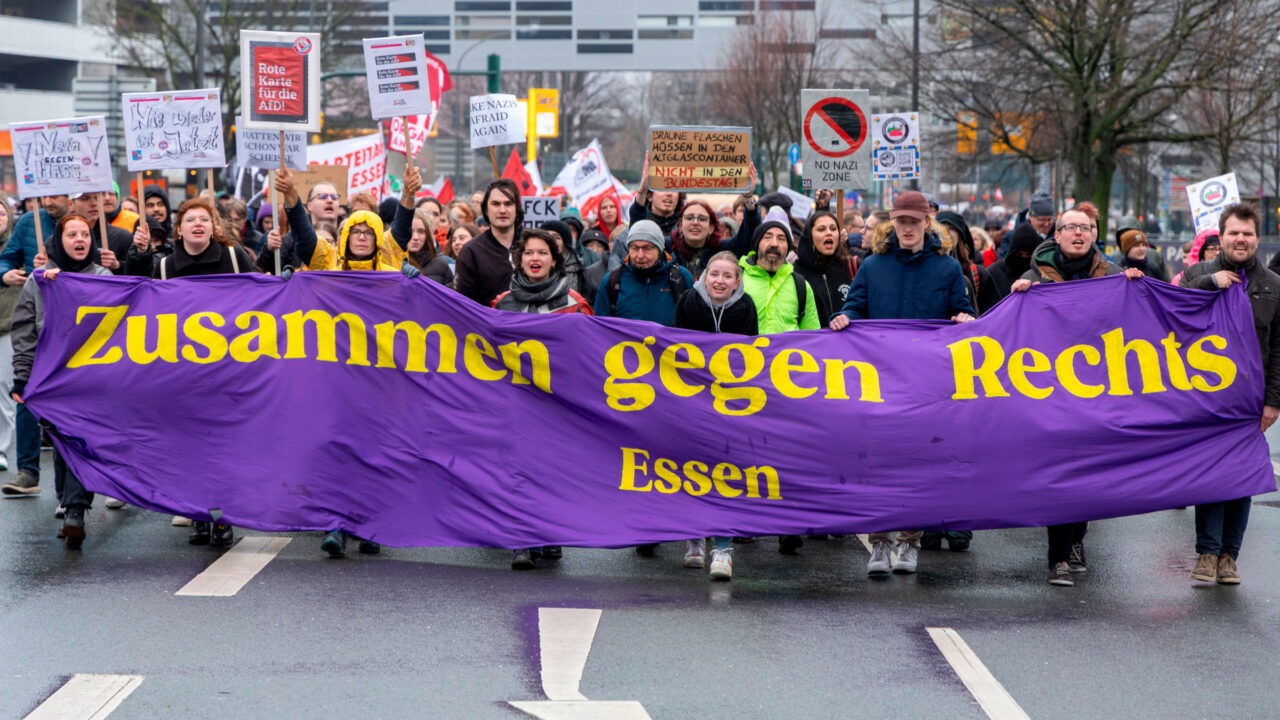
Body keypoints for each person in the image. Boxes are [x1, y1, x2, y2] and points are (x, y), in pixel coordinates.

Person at [830, 190, 974, 577]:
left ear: (928, 222)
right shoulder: (872, 265)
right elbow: (854, 308)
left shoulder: (947, 269)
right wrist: (843, 318)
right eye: (901, 221)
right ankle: (878, 544)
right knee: (876, 465)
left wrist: (963, 319)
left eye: (915, 221)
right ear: (892, 222)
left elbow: (964, 311)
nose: (908, 228)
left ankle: (909, 543)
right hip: (878, 385)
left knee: (917, 466)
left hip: (927, 387)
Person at [1009, 207, 1134, 586]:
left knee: (1090, 474)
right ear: (1057, 235)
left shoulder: (1115, 276)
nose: (1079, 233)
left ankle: (1078, 538)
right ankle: (1058, 557)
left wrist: (1138, 287)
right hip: (1052, 394)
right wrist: (1017, 299)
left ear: (1095, 234)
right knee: (1059, 475)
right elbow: (1010, 333)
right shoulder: (1033, 278)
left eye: (1086, 227)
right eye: (1071, 228)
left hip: (1099, 392)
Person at [1178, 204, 1279, 586]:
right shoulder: (1197, 274)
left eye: (1248, 234)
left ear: (1257, 238)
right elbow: (1172, 309)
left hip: (1251, 401)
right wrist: (1209, 284)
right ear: (1222, 236)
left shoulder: (1273, 285)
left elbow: (1279, 348)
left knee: (1243, 478)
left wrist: (1274, 400)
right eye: (1234, 233)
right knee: (1210, 474)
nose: (1241, 239)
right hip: (1206, 397)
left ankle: (1228, 557)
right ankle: (1206, 552)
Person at [10, 214, 117, 547]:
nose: (80, 239)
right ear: (59, 239)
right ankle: (68, 498)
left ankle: (74, 509)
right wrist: (22, 376)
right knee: (60, 440)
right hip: (52, 375)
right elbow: (25, 330)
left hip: (92, 376)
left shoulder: (105, 278)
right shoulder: (40, 280)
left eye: (85, 233)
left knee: (79, 439)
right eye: (72, 234)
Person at [493, 229, 592, 570]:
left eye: (542, 253)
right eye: (529, 253)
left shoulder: (575, 304)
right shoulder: (502, 303)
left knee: (551, 472)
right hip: (516, 403)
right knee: (519, 471)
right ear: (519, 259)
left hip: (558, 405)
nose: (535, 259)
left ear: (554, 260)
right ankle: (523, 540)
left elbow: (590, 357)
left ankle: (550, 534)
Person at [673, 251, 758, 580]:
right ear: (704, 277)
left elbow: (752, 354)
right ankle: (695, 539)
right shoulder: (687, 302)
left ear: (737, 281)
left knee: (725, 473)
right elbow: (675, 346)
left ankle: (723, 547)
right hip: (691, 401)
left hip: (731, 405)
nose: (719, 280)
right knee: (692, 469)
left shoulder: (746, 306)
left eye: (727, 275)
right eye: (714, 274)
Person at [0, 194, 68, 497]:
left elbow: (91, 263)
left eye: (56, 195)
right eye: (45, 195)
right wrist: (6, 273)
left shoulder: (81, 222)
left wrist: (55, 264)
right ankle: (28, 471)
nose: (49, 200)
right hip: (35, 320)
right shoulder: (29, 221)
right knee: (25, 391)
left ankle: (72, 490)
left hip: (72, 326)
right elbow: (8, 257)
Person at [593, 219, 694, 326]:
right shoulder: (612, 280)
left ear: (659, 250)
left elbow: (695, 327)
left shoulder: (681, 277)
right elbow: (600, 328)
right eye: (634, 248)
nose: (640, 255)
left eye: (647, 248)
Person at [738, 208, 820, 334]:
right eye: (767, 237)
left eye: (781, 238)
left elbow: (812, 338)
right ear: (757, 243)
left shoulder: (801, 286)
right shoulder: (737, 279)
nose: (774, 244)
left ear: (788, 247)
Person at [456, 179, 522, 306]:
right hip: (488, 325)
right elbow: (463, 304)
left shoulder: (534, 245)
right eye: (496, 204)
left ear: (517, 208)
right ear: (486, 210)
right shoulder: (471, 252)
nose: (502, 210)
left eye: (508, 204)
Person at [255, 181, 342, 274]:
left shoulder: (349, 235)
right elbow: (266, 270)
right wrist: (269, 251)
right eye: (322, 196)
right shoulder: (291, 238)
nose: (330, 200)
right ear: (309, 206)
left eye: (334, 197)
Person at [793, 210, 856, 326]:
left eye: (833, 229)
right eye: (821, 229)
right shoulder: (796, 272)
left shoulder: (851, 266)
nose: (829, 233)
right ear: (810, 236)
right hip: (814, 342)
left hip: (847, 342)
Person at [937, 210, 1001, 315]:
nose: (945, 231)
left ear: (960, 235)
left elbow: (994, 315)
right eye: (941, 227)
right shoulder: (924, 271)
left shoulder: (978, 275)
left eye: (950, 227)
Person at [0, 193, 19, 477]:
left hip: (8, 327)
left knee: (4, 390)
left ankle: (2, 450)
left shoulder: (17, 249)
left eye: (1, 213)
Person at [669, 200, 727, 280]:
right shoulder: (667, 247)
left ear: (711, 228)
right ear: (680, 226)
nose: (695, 222)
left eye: (702, 219)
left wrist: (749, 202)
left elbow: (745, 239)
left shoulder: (722, 249)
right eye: (689, 218)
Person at [408, 207, 453, 285]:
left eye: (421, 231)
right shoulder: (390, 261)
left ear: (429, 234)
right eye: (410, 231)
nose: (415, 237)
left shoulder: (441, 265)